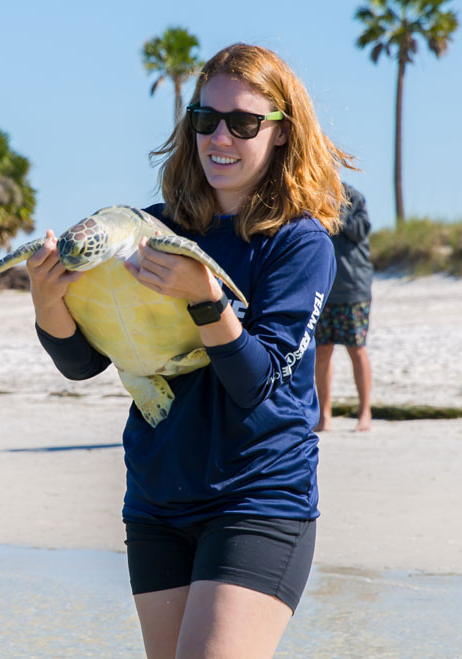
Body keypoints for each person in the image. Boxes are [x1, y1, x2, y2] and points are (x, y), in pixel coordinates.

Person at [28, 43, 353, 658]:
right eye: (205, 120)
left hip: (257, 498)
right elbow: (85, 363)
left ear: (281, 134)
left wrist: (207, 300)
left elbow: (257, 381)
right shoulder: (153, 230)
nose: (219, 137)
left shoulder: (298, 243)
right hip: (157, 500)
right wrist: (48, 301)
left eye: (243, 122)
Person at [313, 183, 374, 432]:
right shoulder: (311, 195)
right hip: (323, 289)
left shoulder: (354, 198)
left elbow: (359, 231)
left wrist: (335, 205)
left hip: (353, 289)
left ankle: (365, 412)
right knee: (323, 351)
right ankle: (324, 414)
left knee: (356, 349)